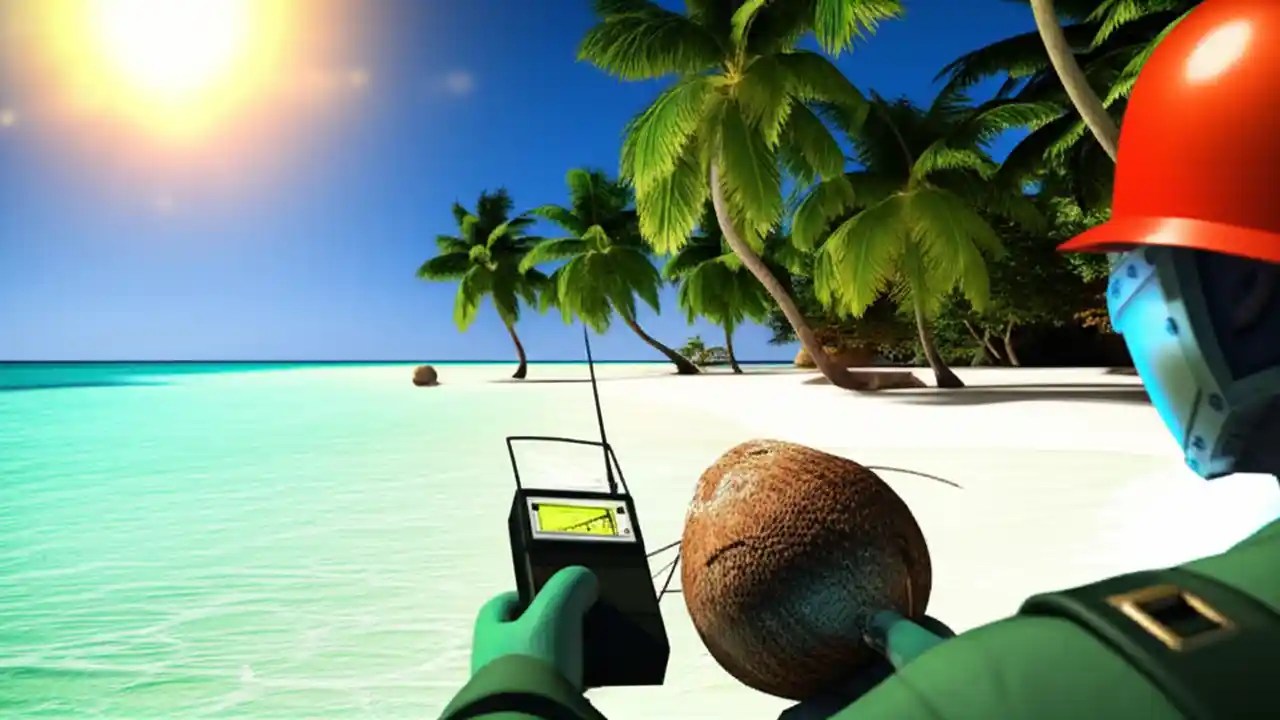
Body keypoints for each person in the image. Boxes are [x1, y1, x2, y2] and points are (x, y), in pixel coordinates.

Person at [438, 1, 1280, 717]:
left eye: (1136, 269)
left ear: (1246, 296)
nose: (1123, 301)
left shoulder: (1094, 671)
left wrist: (518, 688)